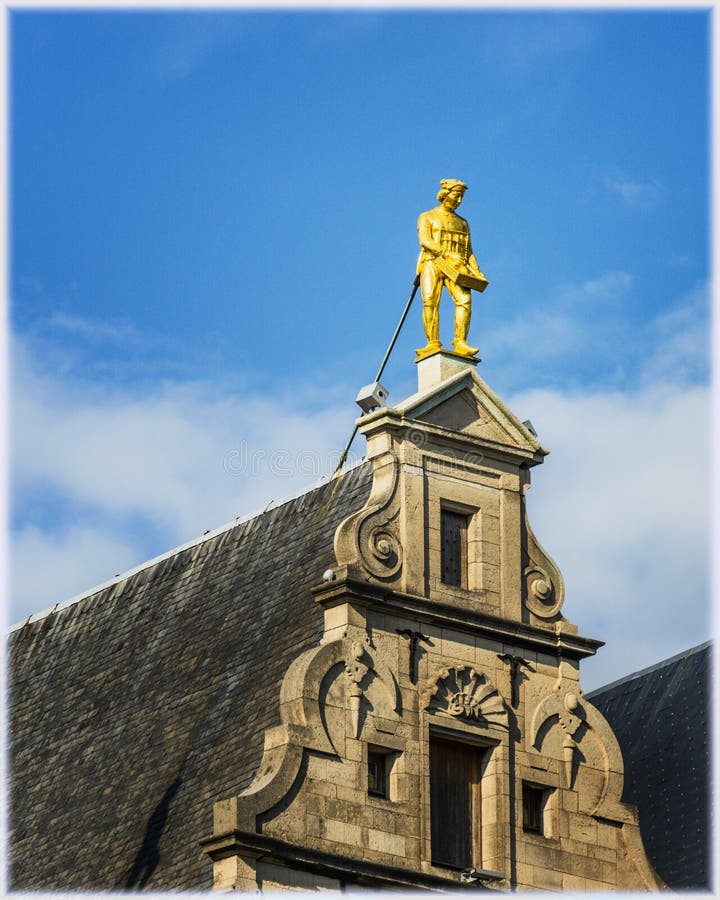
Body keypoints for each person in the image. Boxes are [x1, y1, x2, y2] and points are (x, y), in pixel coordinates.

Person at [416, 179, 488, 359]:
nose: (459, 200)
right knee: (430, 300)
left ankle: (460, 341)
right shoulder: (427, 216)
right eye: (456, 195)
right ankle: (432, 343)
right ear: (445, 194)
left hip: (457, 266)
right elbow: (425, 240)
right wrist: (445, 253)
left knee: (464, 300)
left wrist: (476, 271)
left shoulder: (463, 223)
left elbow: (469, 251)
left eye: (461, 197)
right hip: (433, 262)